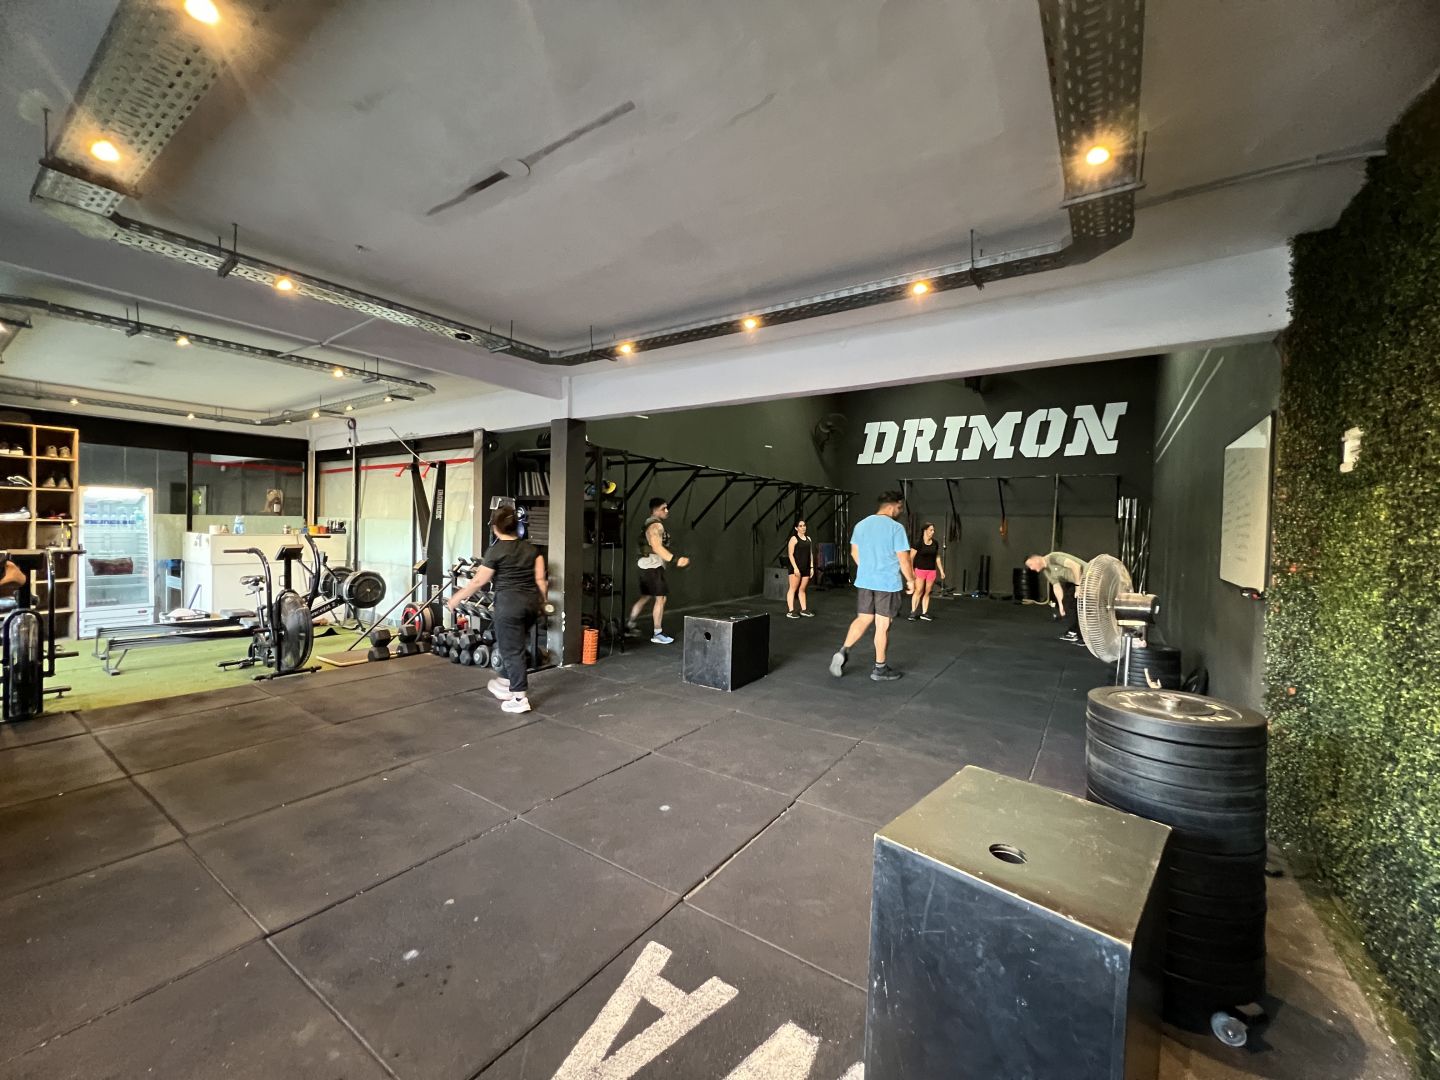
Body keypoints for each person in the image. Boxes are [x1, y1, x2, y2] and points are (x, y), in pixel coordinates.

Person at [448, 505, 545, 714]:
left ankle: (519, 698)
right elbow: (540, 580)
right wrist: (543, 602)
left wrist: (456, 598)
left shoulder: (496, 551)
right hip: (531, 605)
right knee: (515, 646)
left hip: (509, 606)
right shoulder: (532, 550)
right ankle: (509, 681)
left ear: (495, 528)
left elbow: (478, 582)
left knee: (512, 650)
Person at [830, 491, 914, 682]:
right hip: (887, 584)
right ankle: (880, 669)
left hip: (866, 581)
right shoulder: (896, 528)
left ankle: (843, 651)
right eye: (900, 507)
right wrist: (911, 580)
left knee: (863, 618)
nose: (900, 511)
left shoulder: (861, 525)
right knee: (882, 626)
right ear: (892, 506)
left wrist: (869, 568)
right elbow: (904, 559)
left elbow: (854, 552)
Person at [627, 497, 690, 644]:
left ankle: (629, 625)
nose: (667, 511)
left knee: (646, 597)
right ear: (655, 510)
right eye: (663, 508)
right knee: (661, 598)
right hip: (652, 567)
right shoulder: (655, 526)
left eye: (667, 508)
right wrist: (675, 560)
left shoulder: (650, 523)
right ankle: (657, 633)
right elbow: (656, 547)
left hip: (646, 566)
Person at [1026, 551, 1090, 644]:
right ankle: (1074, 631)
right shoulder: (1046, 571)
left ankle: (1085, 636)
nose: (1031, 568)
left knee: (1076, 606)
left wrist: (1078, 586)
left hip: (1088, 577)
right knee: (1067, 604)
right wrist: (1060, 605)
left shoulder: (1053, 558)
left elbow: (1076, 566)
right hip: (1073, 581)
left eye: (1031, 565)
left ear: (1036, 559)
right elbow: (1056, 586)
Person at [906, 522, 945, 621]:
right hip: (920, 570)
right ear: (925, 530)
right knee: (919, 591)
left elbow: (937, 557)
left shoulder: (935, 543)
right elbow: (911, 558)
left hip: (931, 571)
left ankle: (924, 613)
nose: (933, 532)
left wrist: (941, 570)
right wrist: (912, 571)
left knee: (927, 592)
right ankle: (913, 612)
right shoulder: (918, 543)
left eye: (933, 530)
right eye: (931, 530)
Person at [785, 519, 816, 619]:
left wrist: (811, 567)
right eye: (801, 526)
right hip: (796, 568)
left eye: (804, 525)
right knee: (793, 589)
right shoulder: (794, 539)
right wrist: (795, 568)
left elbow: (810, 554)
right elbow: (790, 555)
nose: (803, 527)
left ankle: (804, 610)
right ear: (796, 528)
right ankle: (791, 611)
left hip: (806, 568)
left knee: (802, 589)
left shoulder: (809, 539)